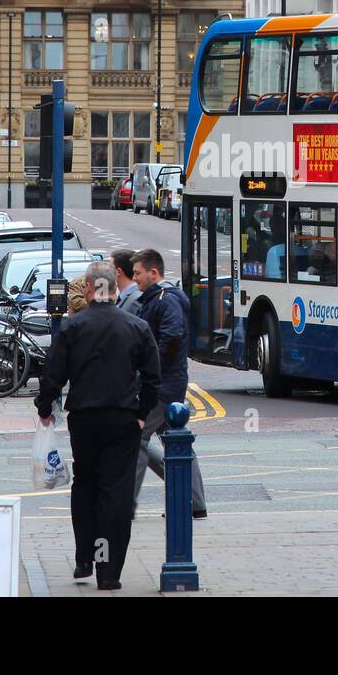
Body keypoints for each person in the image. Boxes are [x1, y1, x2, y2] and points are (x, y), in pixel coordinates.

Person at [35, 260, 161, 591]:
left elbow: (53, 374)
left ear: (90, 289)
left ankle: (83, 558)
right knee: (115, 494)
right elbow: (153, 376)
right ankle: (108, 572)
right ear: (116, 289)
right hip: (122, 420)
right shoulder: (135, 326)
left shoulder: (74, 328)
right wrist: (143, 412)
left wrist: (45, 407)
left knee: (86, 486)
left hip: (85, 420)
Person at [131, 248, 207, 519]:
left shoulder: (165, 300)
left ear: (154, 272)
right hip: (165, 383)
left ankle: (126, 506)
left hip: (163, 386)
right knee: (176, 443)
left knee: (136, 438)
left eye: (138, 273)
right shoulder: (155, 299)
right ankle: (193, 501)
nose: (135, 277)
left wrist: (151, 371)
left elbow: (172, 339)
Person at [112, 249, 142, 316]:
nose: (107, 271)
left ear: (118, 272)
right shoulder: (120, 294)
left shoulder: (136, 300)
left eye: (110, 268)